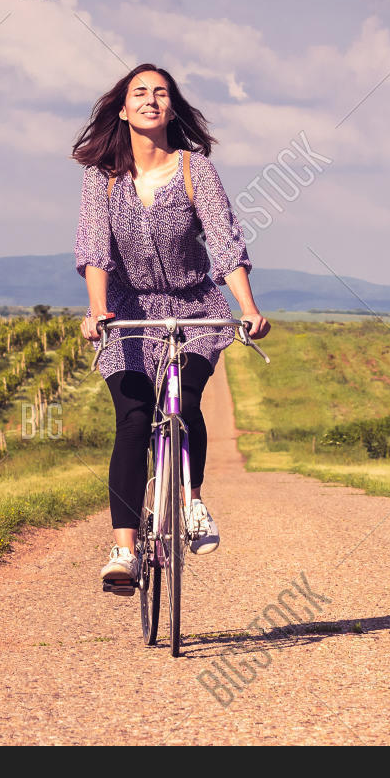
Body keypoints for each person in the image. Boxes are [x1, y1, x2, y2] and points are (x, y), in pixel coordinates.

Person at [72, 63, 270, 592]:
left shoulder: (195, 170)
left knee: (182, 402)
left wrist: (248, 308)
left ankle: (194, 503)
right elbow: (94, 248)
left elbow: (226, 244)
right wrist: (96, 311)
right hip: (128, 314)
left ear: (172, 108)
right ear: (123, 107)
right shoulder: (102, 176)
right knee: (134, 418)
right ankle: (125, 550)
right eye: (140, 93)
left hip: (194, 309)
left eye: (161, 93)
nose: (151, 100)